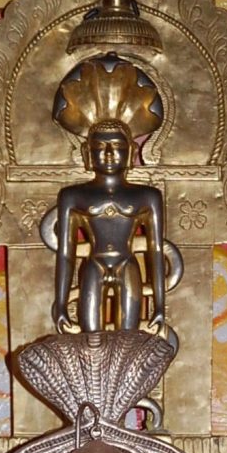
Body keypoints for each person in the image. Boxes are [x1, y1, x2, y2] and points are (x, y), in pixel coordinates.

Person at [52, 119, 167, 341]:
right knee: (90, 340)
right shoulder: (73, 196)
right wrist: (61, 304)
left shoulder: (147, 196)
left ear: (131, 151)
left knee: (129, 339)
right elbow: (66, 253)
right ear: (87, 153)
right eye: (99, 148)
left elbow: (156, 251)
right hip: (94, 266)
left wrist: (160, 305)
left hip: (127, 265)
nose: (107, 153)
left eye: (116, 146)